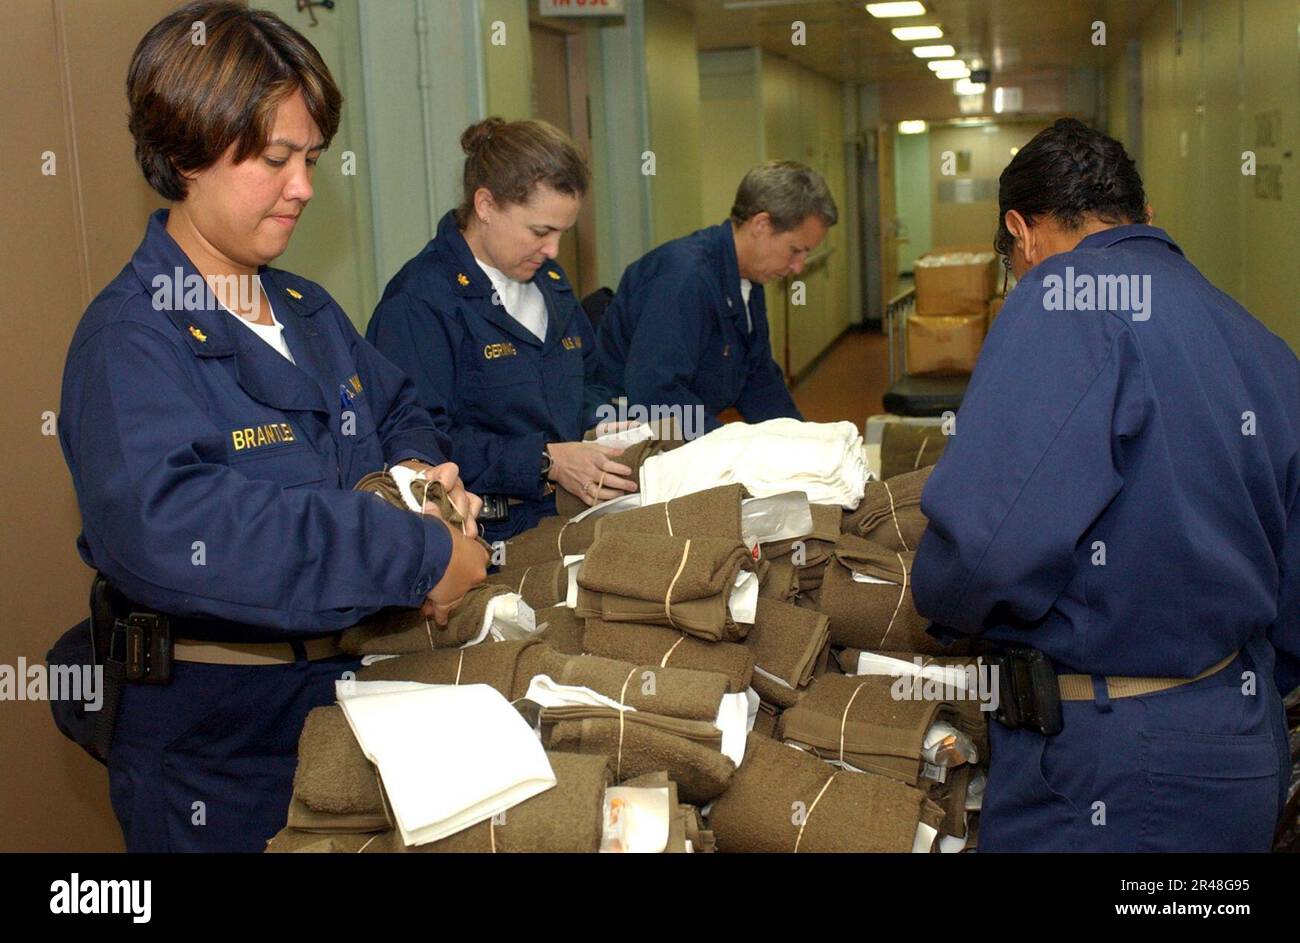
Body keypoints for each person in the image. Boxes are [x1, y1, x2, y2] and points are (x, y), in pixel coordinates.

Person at [57, 1, 487, 852]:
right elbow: (183, 529)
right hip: (217, 746)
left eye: (312, 159)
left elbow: (397, 407)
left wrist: (422, 478)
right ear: (187, 153)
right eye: (276, 159)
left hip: (349, 698)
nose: (305, 188)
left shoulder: (305, 308)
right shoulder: (129, 339)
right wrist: (416, 552)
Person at [911, 118, 1299, 852]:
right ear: (1143, 215)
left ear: (1021, 233)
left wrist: (940, 602)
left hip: (1113, 768)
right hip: (1241, 747)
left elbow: (984, 552)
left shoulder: (1062, 298)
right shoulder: (1253, 335)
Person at [367, 118, 633, 542]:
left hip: (573, 510)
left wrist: (602, 423)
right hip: (489, 534)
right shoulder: (420, 302)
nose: (553, 250)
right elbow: (417, 442)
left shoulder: (551, 284)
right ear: (486, 205)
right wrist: (546, 460)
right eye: (540, 231)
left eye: (562, 233)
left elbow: (589, 381)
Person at [595, 160, 837, 434]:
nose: (798, 267)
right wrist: (725, 444)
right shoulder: (684, 278)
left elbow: (757, 378)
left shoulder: (748, 276)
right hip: (629, 432)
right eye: (795, 250)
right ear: (761, 224)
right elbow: (656, 394)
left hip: (678, 428)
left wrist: (802, 439)